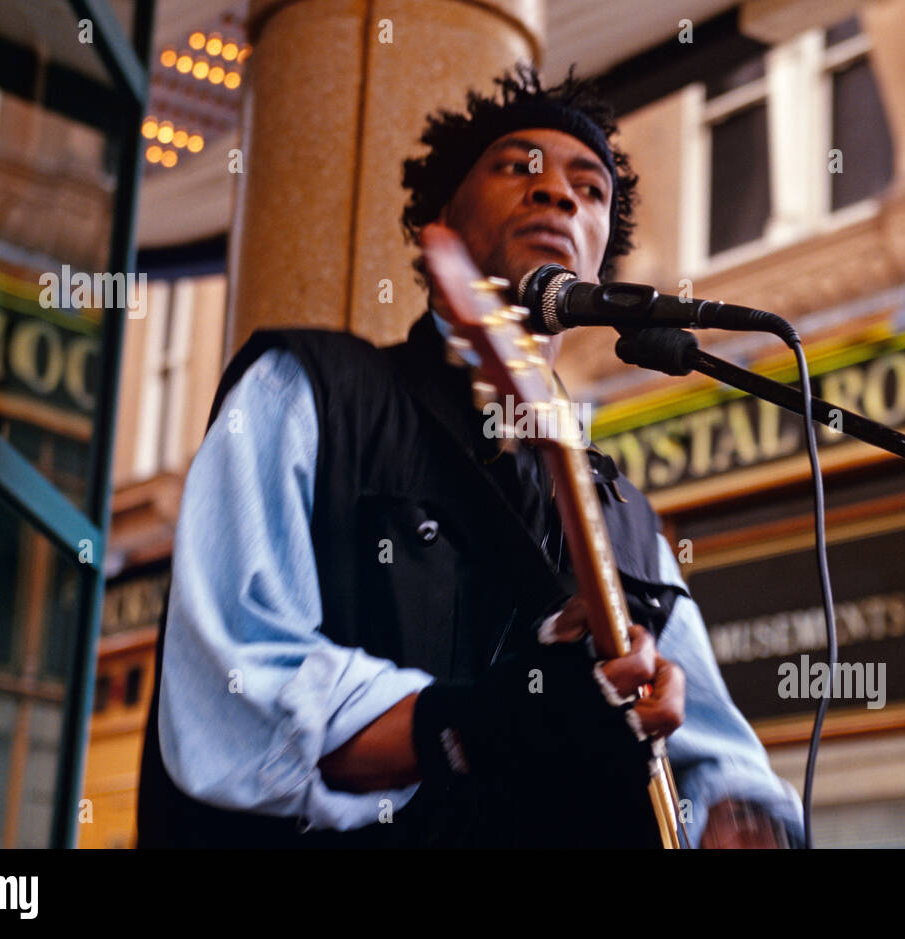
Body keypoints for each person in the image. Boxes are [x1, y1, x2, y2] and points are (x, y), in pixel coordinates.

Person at [137, 64, 804, 848]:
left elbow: (718, 761)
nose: (557, 193)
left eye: (590, 189)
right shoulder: (304, 391)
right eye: (519, 167)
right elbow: (233, 693)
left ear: (597, 263)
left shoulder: (629, 523)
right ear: (441, 226)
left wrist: (735, 816)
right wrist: (481, 725)